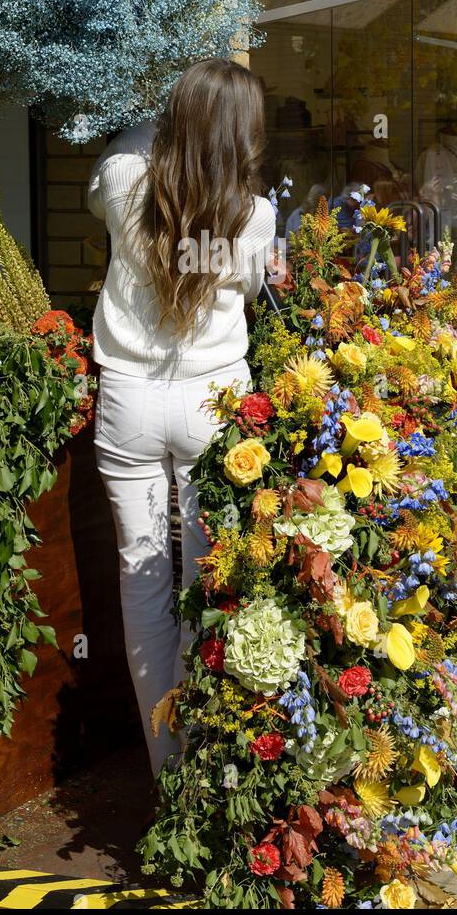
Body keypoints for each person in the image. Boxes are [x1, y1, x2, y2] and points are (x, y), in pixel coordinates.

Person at [88, 58, 276, 775]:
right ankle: (203, 765)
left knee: (142, 579)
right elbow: (255, 287)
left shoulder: (122, 180)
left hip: (130, 398)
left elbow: (110, 174)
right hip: (211, 402)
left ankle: (164, 767)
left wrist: (158, 112)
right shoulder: (255, 216)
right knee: (206, 576)